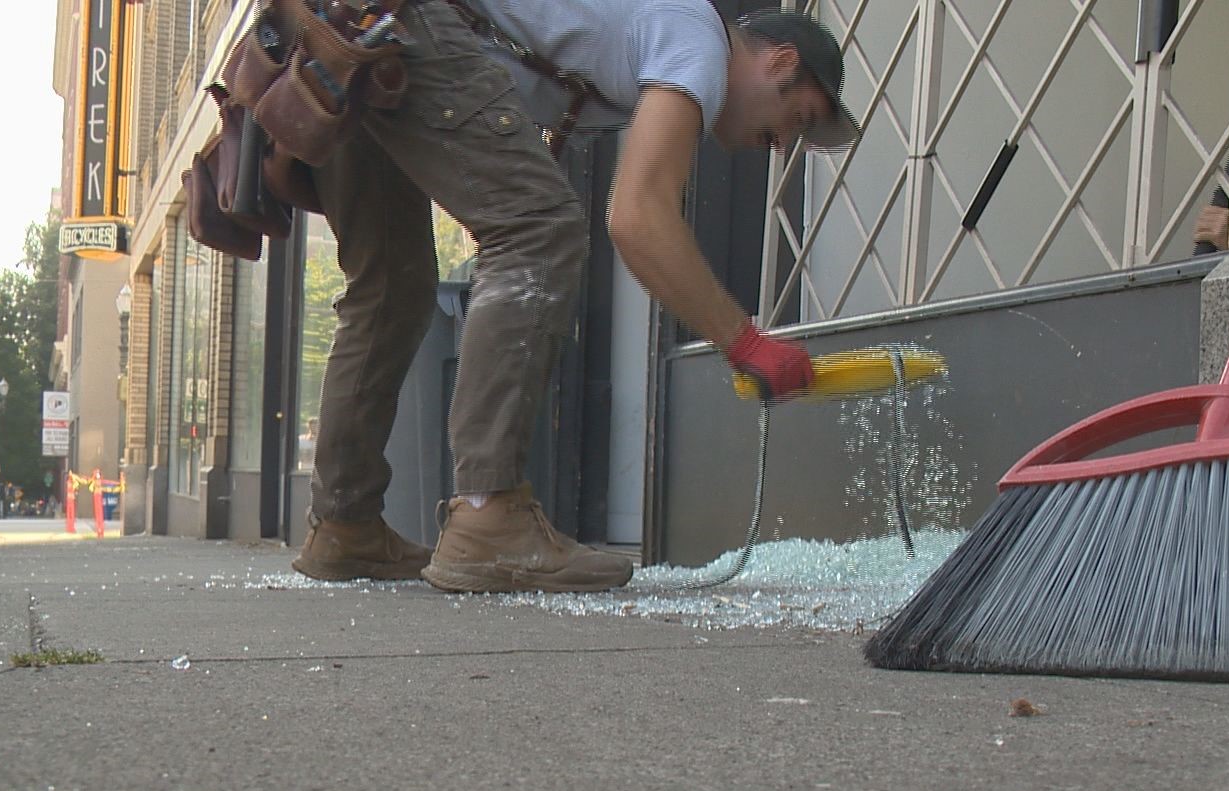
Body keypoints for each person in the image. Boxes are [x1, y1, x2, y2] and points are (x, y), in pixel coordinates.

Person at [288, 1, 859, 592]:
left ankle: (344, 525)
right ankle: (488, 516)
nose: (785, 144)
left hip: (349, 30)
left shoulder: (650, 36)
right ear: (780, 60)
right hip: (406, 24)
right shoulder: (700, 42)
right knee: (540, 230)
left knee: (390, 284)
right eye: (803, 117)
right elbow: (638, 219)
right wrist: (744, 341)